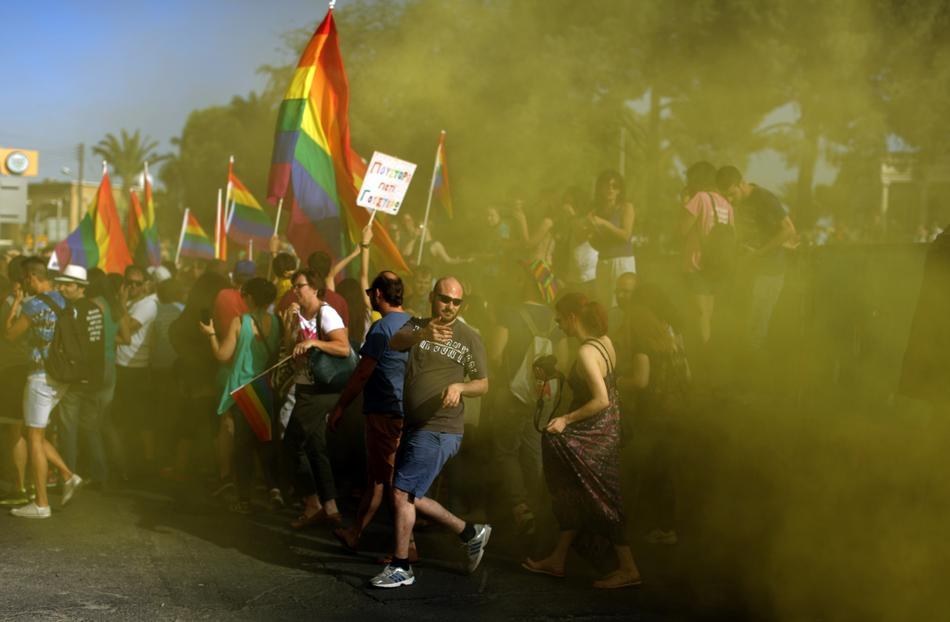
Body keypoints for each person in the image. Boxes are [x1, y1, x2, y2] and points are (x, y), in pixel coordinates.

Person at [370, 276, 491, 589]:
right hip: (415, 423)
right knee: (410, 494)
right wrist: (423, 332)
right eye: (444, 299)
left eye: (455, 301)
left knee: (401, 492)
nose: (449, 306)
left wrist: (459, 386)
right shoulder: (417, 326)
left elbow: (483, 383)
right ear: (432, 297)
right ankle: (469, 532)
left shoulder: (469, 336)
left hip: (441, 426)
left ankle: (401, 565)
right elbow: (394, 343)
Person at [523, 293, 641, 589]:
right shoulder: (604, 342)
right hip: (606, 428)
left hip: (596, 432)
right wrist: (558, 374)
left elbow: (600, 399)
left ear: (573, 317)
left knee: (602, 496)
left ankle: (628, 569)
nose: (558, 323)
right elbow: (594, 383)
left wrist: (565, 420)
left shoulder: (587, 352)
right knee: (576, 491)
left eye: (560, 318)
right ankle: (558, 559)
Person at [328, 271, 410, 553]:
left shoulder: (381, 329)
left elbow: (362, 374)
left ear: (377, 294)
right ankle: (355, 532)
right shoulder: (415, 324)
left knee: (391, 482)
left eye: (370, 294)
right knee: (379, 477)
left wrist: (340, 406)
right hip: (405, 411)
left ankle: (408, 545)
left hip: (384, 413)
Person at [489, 264, 565, 535]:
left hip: (511, 395)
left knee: (507, 451)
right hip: (542, 397)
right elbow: (563, 360)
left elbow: (496, 354)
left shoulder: (510, 313)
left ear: (528, 282)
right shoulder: (556, 320)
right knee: (534, 451)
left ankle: (520, 507)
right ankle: (541, 507)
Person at [5, 259, 84, 518]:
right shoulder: (65, 302)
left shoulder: (34, 305)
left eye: (26, 280)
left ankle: (41, 504)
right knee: (34, 432)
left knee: (34, 437)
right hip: (62, 376)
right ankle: (68, 475)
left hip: (40, 376)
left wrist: (16, 303)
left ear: (31, 277)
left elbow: (10, 334)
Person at [202, 277, 281, 513]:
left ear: (250, 298)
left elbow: (222, 355)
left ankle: (244, 499)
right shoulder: (277, 322)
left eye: (244, 296)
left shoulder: (241, 321)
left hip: (243, 389)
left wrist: (210, 334)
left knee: (243, 446)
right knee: (266, 441)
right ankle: (274, 490)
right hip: (265, 387)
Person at [281, 268, 351, 528]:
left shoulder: (326, 312)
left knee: (291, 444)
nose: (294, 291)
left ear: (314, 288)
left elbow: (343, 348)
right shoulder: (299, 314)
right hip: (304, 385)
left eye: (299, 286)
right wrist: (290, 327)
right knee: (315, 447)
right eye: (293, 286)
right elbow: (291, 350)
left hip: (321, 389)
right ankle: (330, 508)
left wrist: (314, 344)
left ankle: (312, 503)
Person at [717, 165, 797, 355]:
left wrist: (759, 253)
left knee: (756, 327)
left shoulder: (764, 199)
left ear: (741, 184)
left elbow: (789, 230)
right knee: (743, 322)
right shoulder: (741, 203)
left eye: (731, 194)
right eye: (725, 196)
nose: (729, 200)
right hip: (749, 270)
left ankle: (754, 372)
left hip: (770, 271)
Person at [56, 266, 110, 488]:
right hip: (95, 376)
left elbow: (72, 346)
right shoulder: (95, 308)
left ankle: (68, 476)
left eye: (67, 285)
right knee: (90, 427)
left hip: (77, 377)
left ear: (80, 288)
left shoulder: (73, 310)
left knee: (67, 428)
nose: (62, 288)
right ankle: (100, 474)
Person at [680, 161, 735, 348]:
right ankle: (712, 353)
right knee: (710, 314)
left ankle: (704, 355)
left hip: (697, 265)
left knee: (700, 314)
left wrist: (684, 203)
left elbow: (681, 230)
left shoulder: (699, 198)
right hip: (719, 265)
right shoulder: (726, 204)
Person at [113, 264, 159, 477]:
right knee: (126, 417)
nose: (132, 286)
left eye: (137, 283)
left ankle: (141, 464)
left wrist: (120, 304)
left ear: (146, 284)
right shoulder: (134, 301)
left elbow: (127, 327)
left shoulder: (149, 304)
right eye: (128, 282)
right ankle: (127, 463)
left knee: (137, 418)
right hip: (123, 365)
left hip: (135, 368)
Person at [589, 171, 636, 307]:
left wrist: (604, 224)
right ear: (600, 188)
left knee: (620, 305)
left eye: (615, 186)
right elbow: (596, 244)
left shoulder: (626, 207)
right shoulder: (597, 210)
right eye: (607, 185)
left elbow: (626, 235)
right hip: (603, 261)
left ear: (619, 190)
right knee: (603, 305)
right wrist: (591, 233)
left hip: (621, 261)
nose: (610, 189)